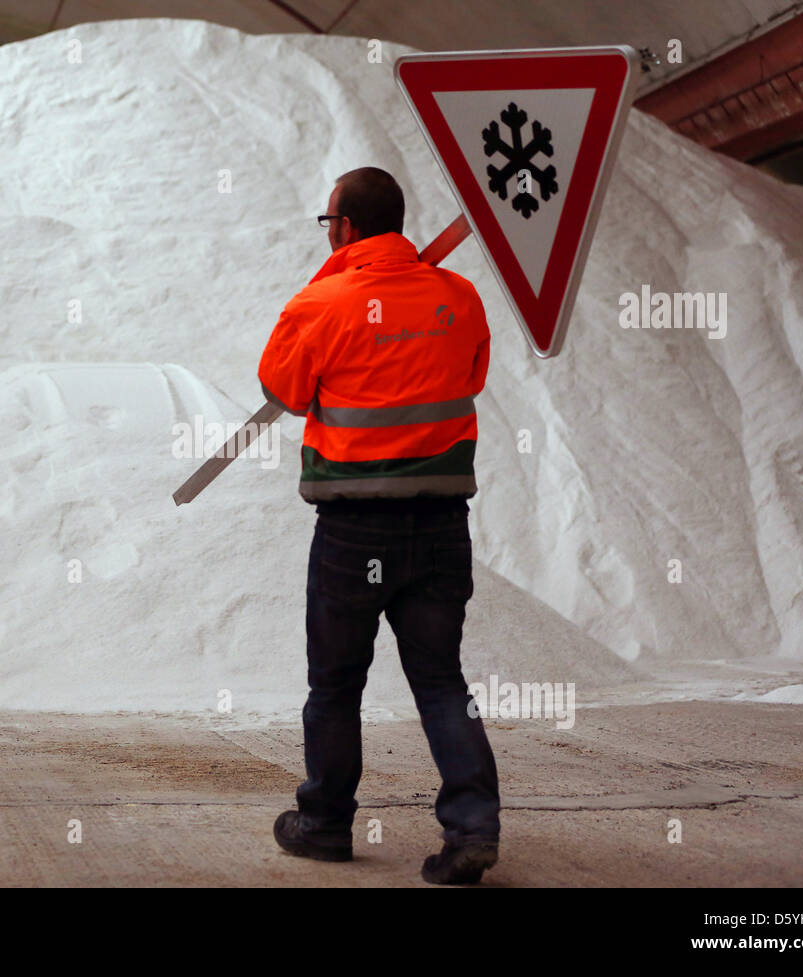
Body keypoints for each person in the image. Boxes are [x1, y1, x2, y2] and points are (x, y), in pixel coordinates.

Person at [258, 167, 501, 885]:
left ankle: (326, 823)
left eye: (327, 221)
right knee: (439, 679)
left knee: (335, 684)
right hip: (440, 523)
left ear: (344, 227)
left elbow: (281, 387)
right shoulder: (458, 297)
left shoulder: (323, 301)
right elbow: (475, 374)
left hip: (354, 530)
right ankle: (472, 828)